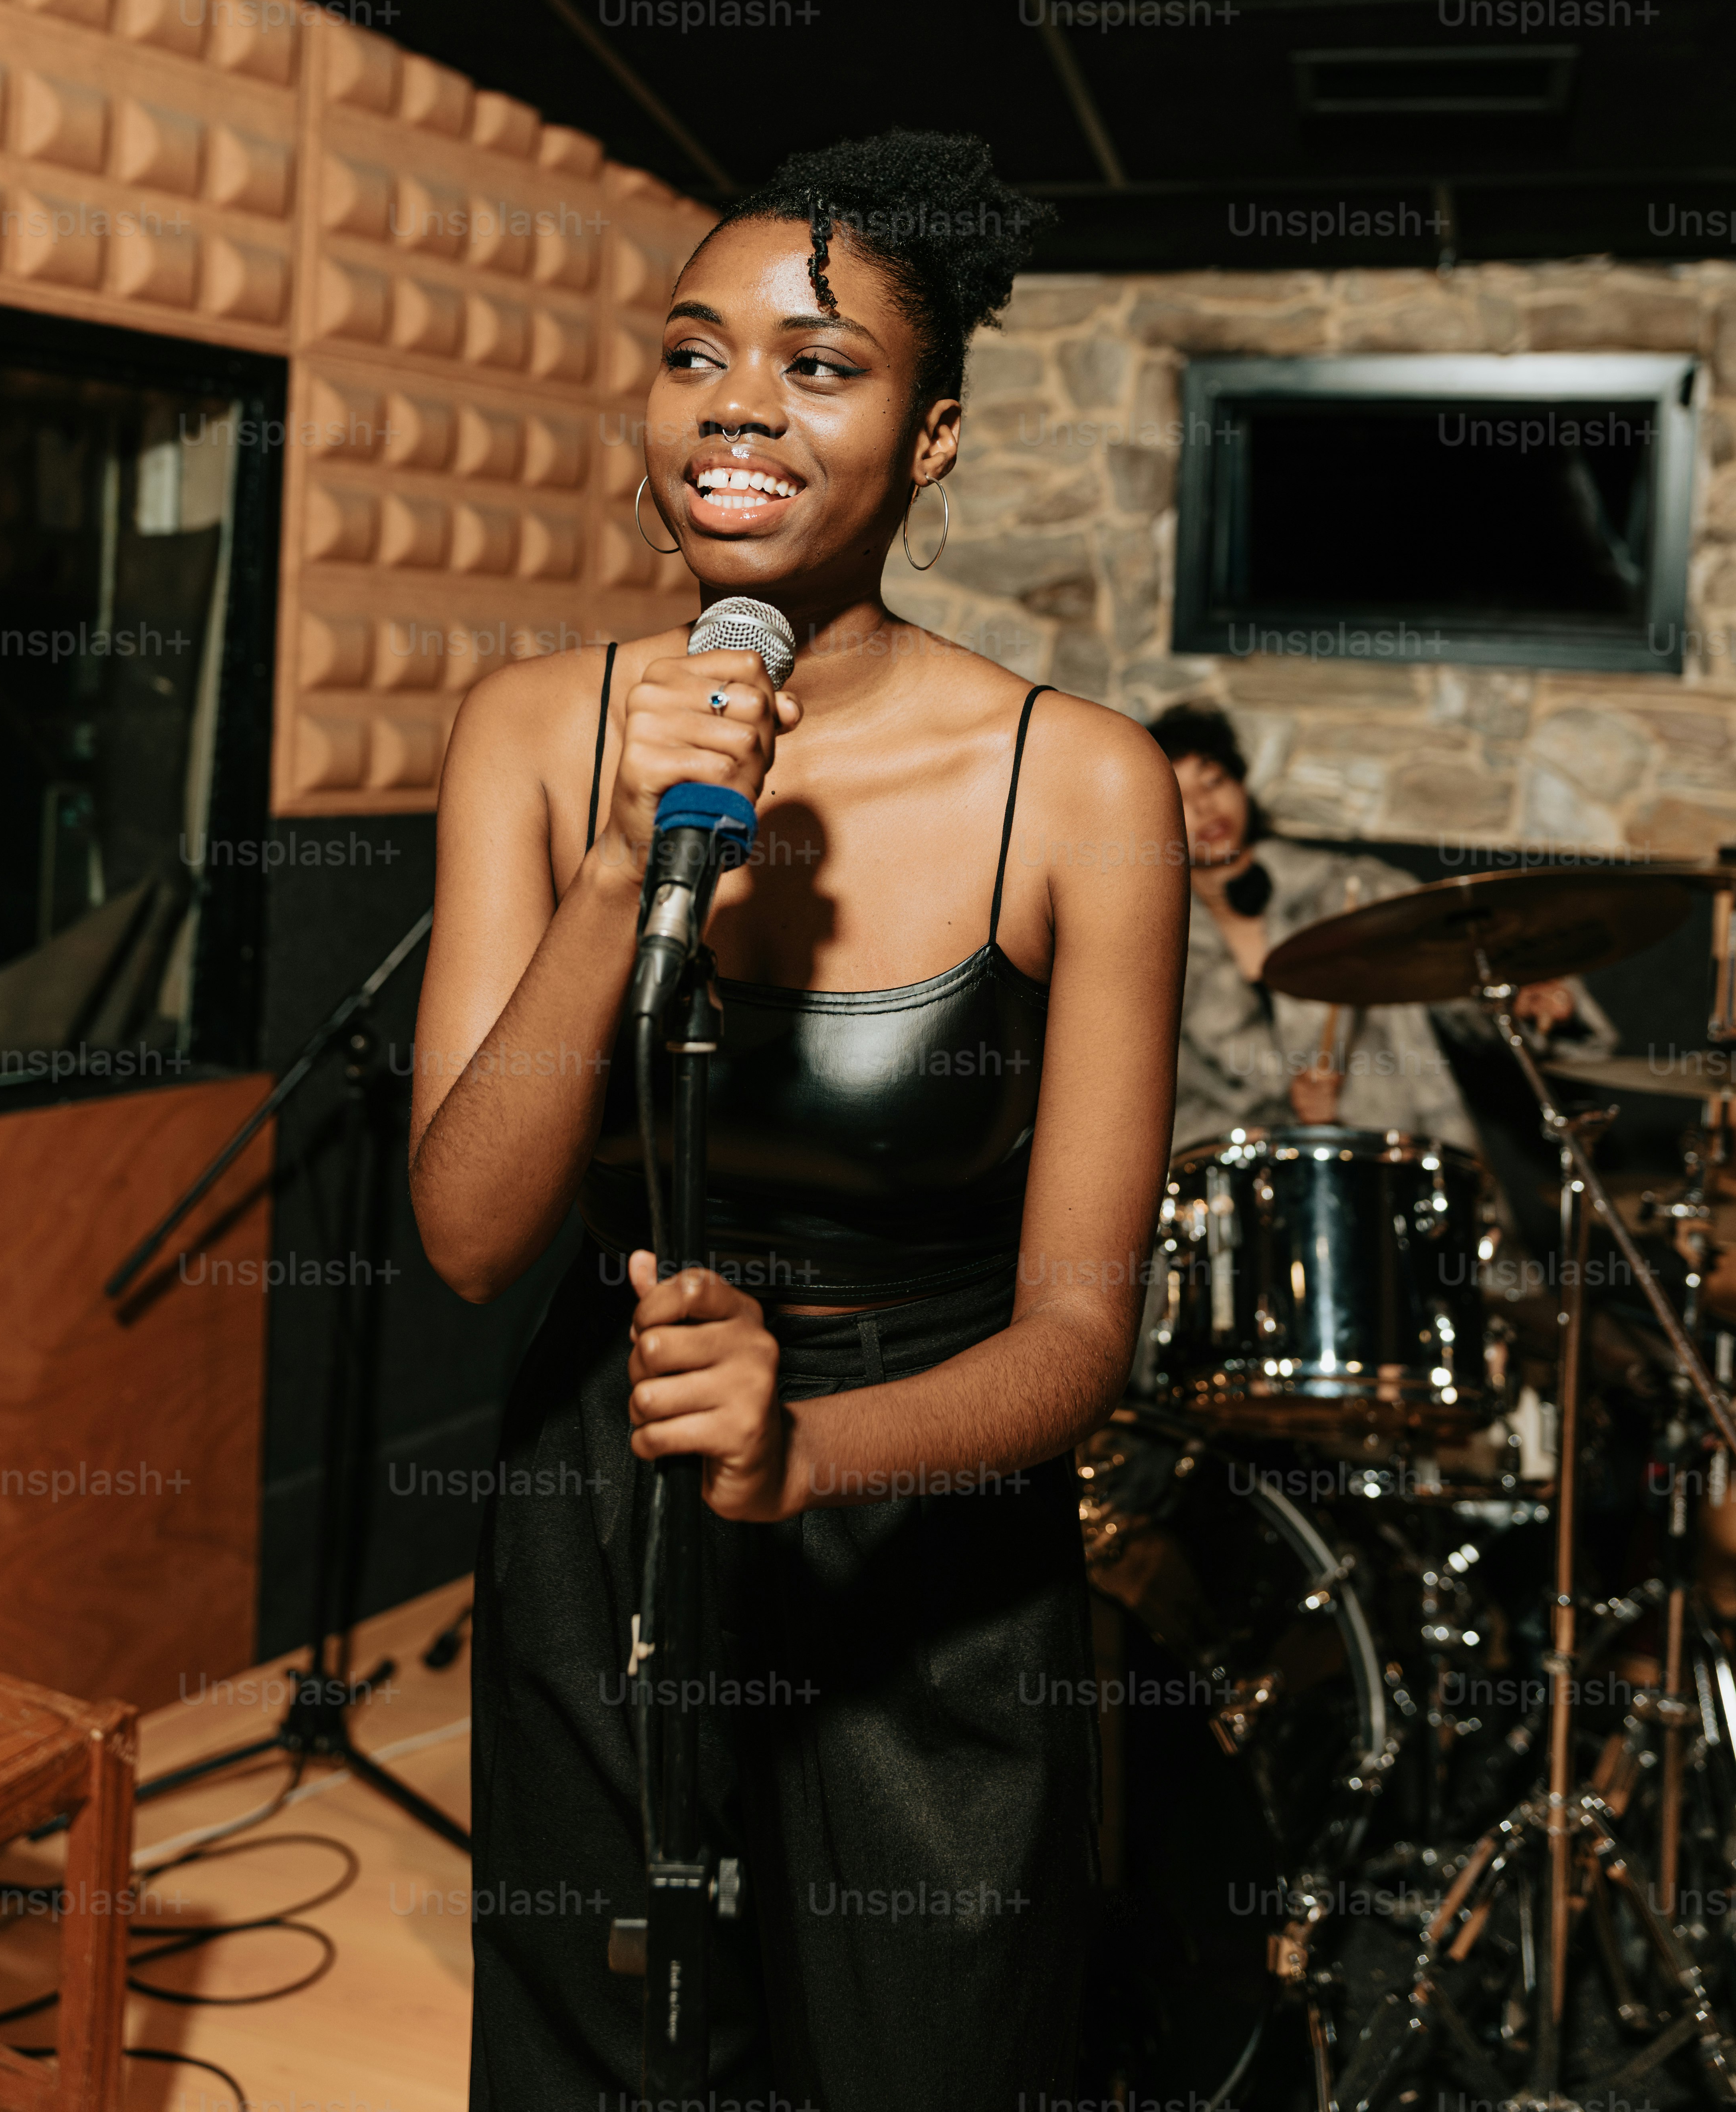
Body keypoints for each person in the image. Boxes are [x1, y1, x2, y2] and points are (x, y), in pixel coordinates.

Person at [409, 131, 1188, 2112]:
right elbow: (471, 1235)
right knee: (605, 2063)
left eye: (819, 365)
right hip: (604, 1496)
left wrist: (806, 1450)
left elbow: (1081, 1340)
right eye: (693, 355)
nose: (737, 403)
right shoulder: (530, 725)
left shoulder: (1080, 788)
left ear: (929, 441)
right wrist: (615, 874)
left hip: (919, 1549)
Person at [1149, 701, 1611, 1154]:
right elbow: (1157, 1113)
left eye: (1215, 781)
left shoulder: (1354, 890)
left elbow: (1463, 984)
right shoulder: (1152, 953)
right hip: (1260, 1202)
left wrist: (1521, 998)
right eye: (1179, 795)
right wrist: (1277, 1125)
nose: (1205, 806)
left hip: (1411, 1173)